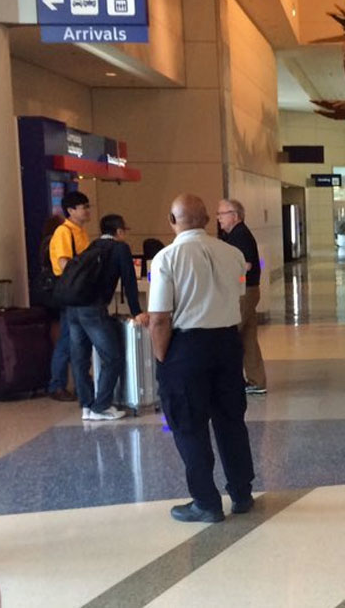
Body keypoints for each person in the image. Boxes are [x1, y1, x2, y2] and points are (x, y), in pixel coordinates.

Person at [148, 194, 256, 523]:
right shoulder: (233, 254)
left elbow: (159, 318)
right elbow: (238, 296)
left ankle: (206, 502)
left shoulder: (165, 259)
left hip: (186, 348)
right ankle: (241, 493)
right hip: (225, 344)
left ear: (172, 220)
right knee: (231, 421)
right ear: (208, 220)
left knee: (188, 425)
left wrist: (163, 356)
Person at [48, 192, 126, 421]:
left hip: (80, 299)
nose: (87, 211)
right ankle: (92, 401)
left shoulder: (81, 233)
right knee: (99, 353)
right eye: (83, 207)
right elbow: (65, 265)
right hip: (79, 298)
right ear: (70, 210)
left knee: (78, 352)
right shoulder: (64, 232)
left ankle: (88, 403)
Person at [215, 199, 267, 395]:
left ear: (234, 215)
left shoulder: (240, 235)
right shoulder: (234, 235)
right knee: (248, 338)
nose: (219, 218)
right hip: (248, 291)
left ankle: (226, 379)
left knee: (229, 334)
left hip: (244, 292)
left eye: (222, 213)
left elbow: (246, 265)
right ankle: (256, 380)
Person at [39, 214, 76, 402]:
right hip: (63, 296)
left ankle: (61, 383)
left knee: (63, 339)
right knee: (65, 340)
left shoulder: (46, 243)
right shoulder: (56, 243)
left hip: (53, 297)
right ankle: (58, 384)